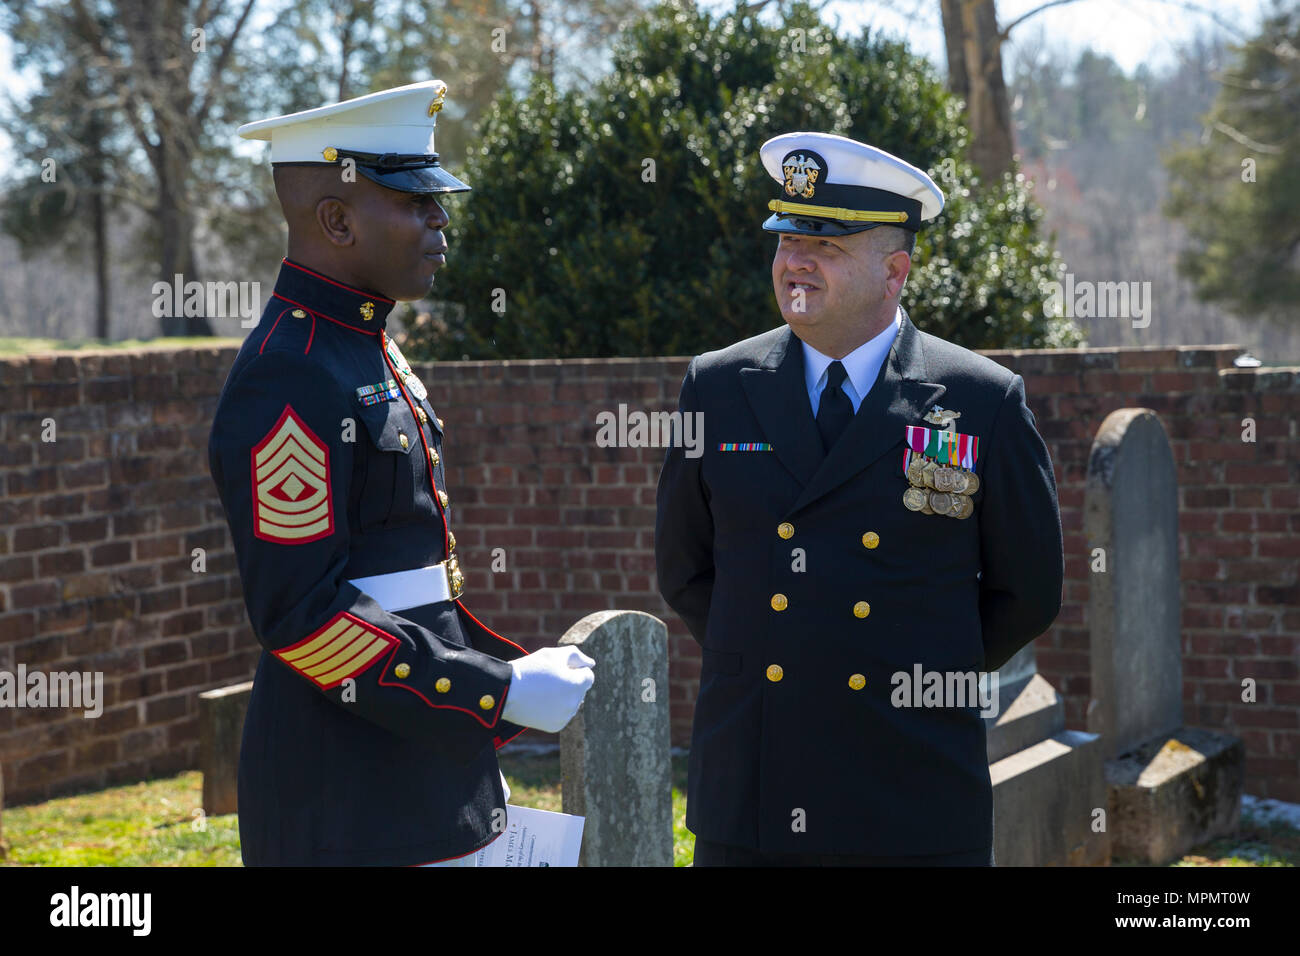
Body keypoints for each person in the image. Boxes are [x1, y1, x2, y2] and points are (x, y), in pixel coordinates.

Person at [209, 80, 594, 867]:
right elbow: (303, 612)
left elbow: (409, 577)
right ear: (338, 218)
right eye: (414, 202)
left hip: (422, 752)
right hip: (351, 790)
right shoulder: (290, 371)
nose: (440, 219)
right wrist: (496, 691)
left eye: (436, 200)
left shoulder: (362, 340)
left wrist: (495, 677)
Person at [655, 132, 1064, 866]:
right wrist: (779, 653)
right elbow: (684, 567)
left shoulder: (981, 399)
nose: (796, 261)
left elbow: (1028, 590)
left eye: (828, 246)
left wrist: (917, 672)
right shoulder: (715, 386)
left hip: (911, 778)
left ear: (895, 271)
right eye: (786, 241)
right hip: (755, 778)